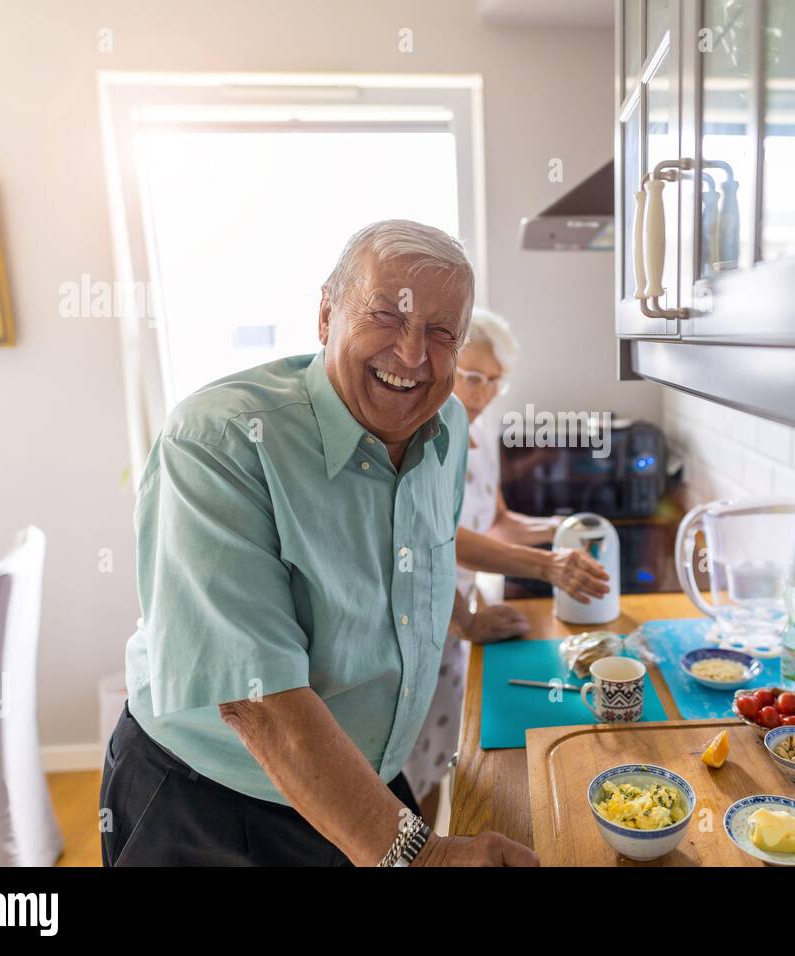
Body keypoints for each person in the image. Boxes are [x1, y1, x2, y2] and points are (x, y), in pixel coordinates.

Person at [100, 220, 537, 866]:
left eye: (442, 332)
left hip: (360, 783)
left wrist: (467, 623)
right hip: (211, 806)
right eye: (386, 316)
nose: (413, 355)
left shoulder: (442, 421)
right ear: (326, 315)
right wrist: (422, 856)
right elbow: (259, 703)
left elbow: (424, 561)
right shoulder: (218, 441)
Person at [403, 308, 610, 820]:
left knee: (437, 763)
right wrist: (546, 567)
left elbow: (495, 521)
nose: (486, 391)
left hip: (455, 619)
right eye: (474, 377)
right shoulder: (424, 436)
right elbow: (437, 538)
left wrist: (565, 527)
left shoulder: (481, 432)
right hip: (422, 621)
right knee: (399, 777)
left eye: (496, 380)